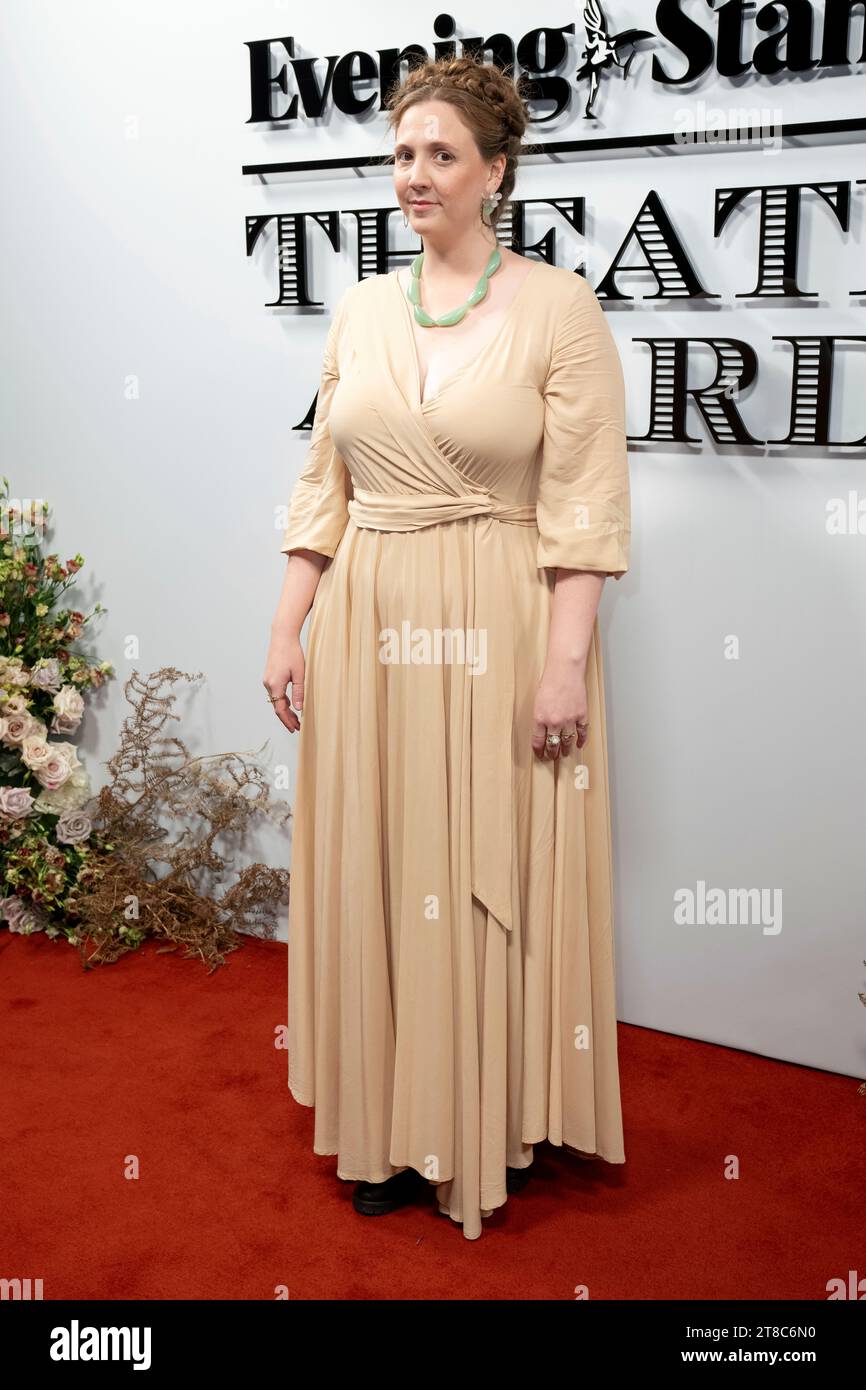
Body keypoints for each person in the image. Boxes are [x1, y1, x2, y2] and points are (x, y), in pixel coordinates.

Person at [263, 54, 631, 1243]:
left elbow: (583, 503)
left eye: (439, 155)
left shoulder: (558, 307)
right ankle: (387, 1127)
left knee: (482, 872)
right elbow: (325, 479)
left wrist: (564, 660)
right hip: (372, 617)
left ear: (494, 172)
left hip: (499, 618)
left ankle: (484, 1120)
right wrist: (287, 621)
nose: (412, 174)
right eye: (401, 152)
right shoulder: (363, 306)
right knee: (383, 864)